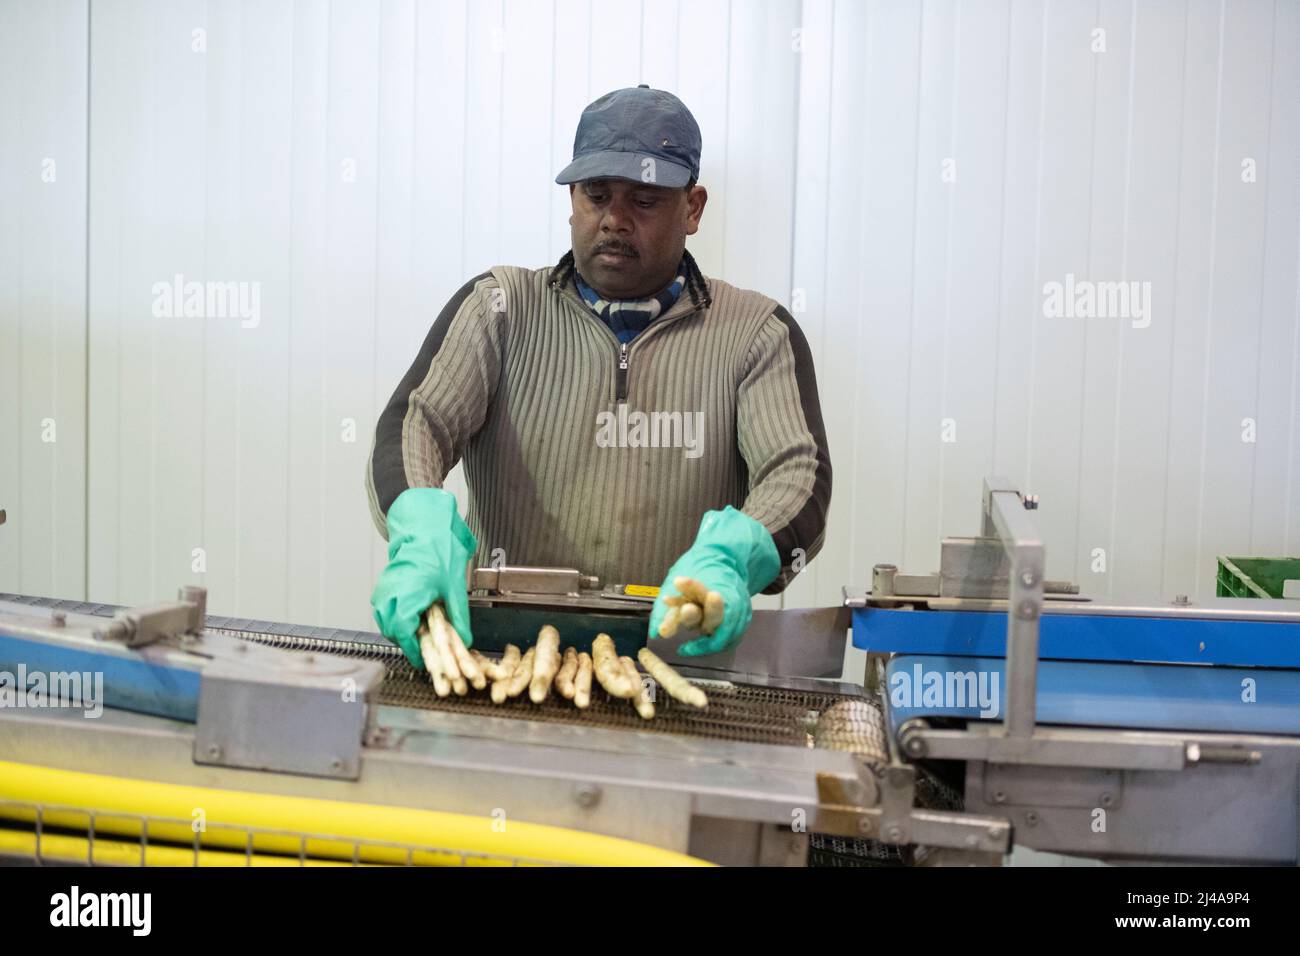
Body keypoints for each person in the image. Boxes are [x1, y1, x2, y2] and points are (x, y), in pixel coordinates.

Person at [367, 85, 830, 668]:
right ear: (571, 200)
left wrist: (737, 556)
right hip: (503, 656)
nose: (614, 220)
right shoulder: (500, 309)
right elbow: (414, 425)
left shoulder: (757, 334)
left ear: (692, 208)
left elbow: (798, 477)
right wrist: (418, 521)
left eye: (644, 200)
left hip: (681, 660)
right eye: (596, 194)